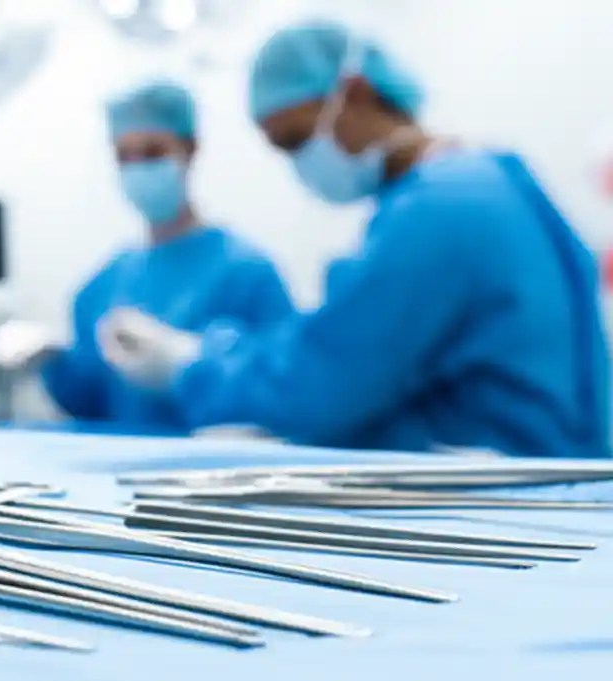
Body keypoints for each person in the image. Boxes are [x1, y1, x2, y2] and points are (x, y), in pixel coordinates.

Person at [102, 21, 611, 457]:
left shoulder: (439, 209)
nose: (300, 163)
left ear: (357, 93)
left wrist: (187, 364)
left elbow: (322, 382)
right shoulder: (491, 178)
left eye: (298, 140)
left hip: (506, 501)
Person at [0, 80, 293, 431]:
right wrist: (52, 362)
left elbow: (283, 392)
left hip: (214, 479)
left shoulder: (249, 274)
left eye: (152, 153)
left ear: (190, 150)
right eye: (125, 156)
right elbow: (92, 407)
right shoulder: (100, 287)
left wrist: (189, 364)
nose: (138, 168)